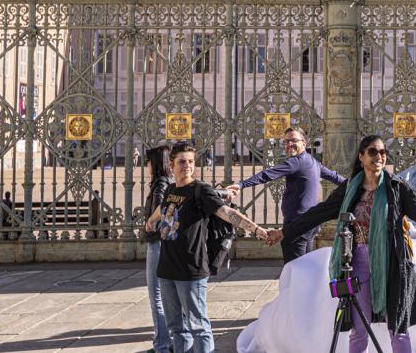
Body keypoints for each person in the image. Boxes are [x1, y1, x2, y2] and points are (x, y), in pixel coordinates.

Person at [272, 135, 416, 353]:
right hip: (357, 262)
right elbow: (319, 212)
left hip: (392, 262)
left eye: (383, 152)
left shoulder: (396, 188)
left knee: (398, 328)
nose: (379, 157)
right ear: (362, 157)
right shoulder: (350, 189)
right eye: (373, 152)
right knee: (359, 327)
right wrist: (284, 232)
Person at [145, 141, 266, 353]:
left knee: (198, 325)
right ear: (172, 165)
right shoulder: (172, 189)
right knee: (176, 327)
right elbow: (163, 209)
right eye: (182, 162)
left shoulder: (200, 190)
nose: (187, 166)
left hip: (191, 269)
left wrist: (257, 229)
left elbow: (227, 213)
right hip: (167, 269)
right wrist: (151, 220)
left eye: (191, 162)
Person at [226, 127, 346, 263]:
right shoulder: (312, 161)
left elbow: (267, 174)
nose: (289, 144)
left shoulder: (296, 162)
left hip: (296, 225)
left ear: (304, 143)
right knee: (305, 267)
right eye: (286, 141)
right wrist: (356, 184)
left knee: (295, 268)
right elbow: (337, 178)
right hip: (310, 223)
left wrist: (241, 185)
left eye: (294, 140)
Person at [143, 145, 174, 353]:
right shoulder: (170, 181)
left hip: (158, 242)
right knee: (169, 295)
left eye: (148, 162)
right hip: (168, 242)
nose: (146, 166)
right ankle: (170, 341)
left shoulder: (161, 183)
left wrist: (151, 221)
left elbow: (162, 208)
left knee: (157, 295)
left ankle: (162, 345)